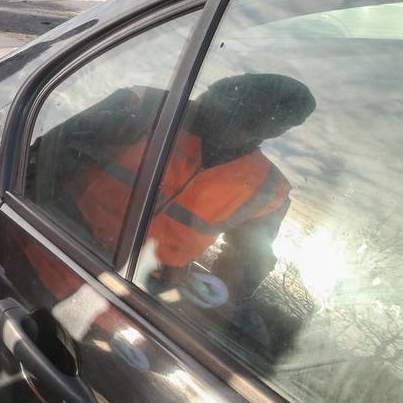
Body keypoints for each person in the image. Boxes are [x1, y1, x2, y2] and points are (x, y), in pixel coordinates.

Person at [25, 73, 316, 311]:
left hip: (120, 308)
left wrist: (212, 300)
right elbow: (39, 161)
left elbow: (244, 268)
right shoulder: (145, 109)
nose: (239, 128)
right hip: (36, 258)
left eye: (267, 123)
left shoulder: (269, 189)